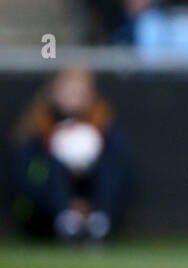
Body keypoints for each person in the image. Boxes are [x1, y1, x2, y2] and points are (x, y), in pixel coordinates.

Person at [9, 68, 130, 242]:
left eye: (79, 92)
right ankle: (66, 220)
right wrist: (64, 204)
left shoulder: (104, 125)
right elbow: (24, 176)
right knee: (52, 168)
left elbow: (121, 171)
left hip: (92, 202)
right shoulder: (37, 128)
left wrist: (89, 205)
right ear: (54, 92)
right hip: (44, 214)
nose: (73, 98)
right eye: (67, 91)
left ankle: (97, 222)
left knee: (107, 167)